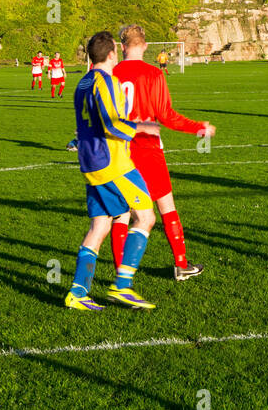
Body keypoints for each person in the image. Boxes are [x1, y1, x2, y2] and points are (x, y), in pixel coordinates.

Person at [64, 31, 164, 312]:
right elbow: (110, 125)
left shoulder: (82, 83)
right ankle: (122, 286)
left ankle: (78, 292)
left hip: (90, 162)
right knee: (145, 217)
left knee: (101, 225)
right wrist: (143, 127)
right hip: (112, 163)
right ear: (112, 55)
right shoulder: (105, 81)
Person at [112, 24, 215, 282]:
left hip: (118, 149)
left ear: (121, 46)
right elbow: (167, 116)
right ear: (145, 46)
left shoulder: (109, 74)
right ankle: (180, 264)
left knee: (122, 213)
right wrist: (198, 127)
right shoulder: (154, 74)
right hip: (148, 148)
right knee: (166, 206)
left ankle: (121, 274)